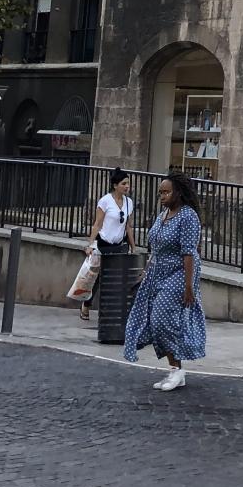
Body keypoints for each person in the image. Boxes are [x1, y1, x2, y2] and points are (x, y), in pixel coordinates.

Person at [123, 172, 206, 391]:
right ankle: (175, 369)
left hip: (179, 273)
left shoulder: (188, 216)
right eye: (160, 192)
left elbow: (189, 253)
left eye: (166, 192)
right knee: (152, 319)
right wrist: (146, 271)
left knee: (162, 318)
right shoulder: (163, 215)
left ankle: (177, 370)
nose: (162, 196)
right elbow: (156, 247)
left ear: (179, 192)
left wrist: (189, 287)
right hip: (157, 272)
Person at [78, 167, 136, 323]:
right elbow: (97, 224)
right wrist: (90, 244)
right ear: (115, 185)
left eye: (128, 184)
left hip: (120, 245)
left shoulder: (129, 203)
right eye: (124, 183)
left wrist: (133, 247)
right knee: (97, 278)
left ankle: (109, 310)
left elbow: (128, 226)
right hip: (104, 243)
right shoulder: (105, 201)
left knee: (116, 279)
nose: (127, 187)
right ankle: (87, 304)